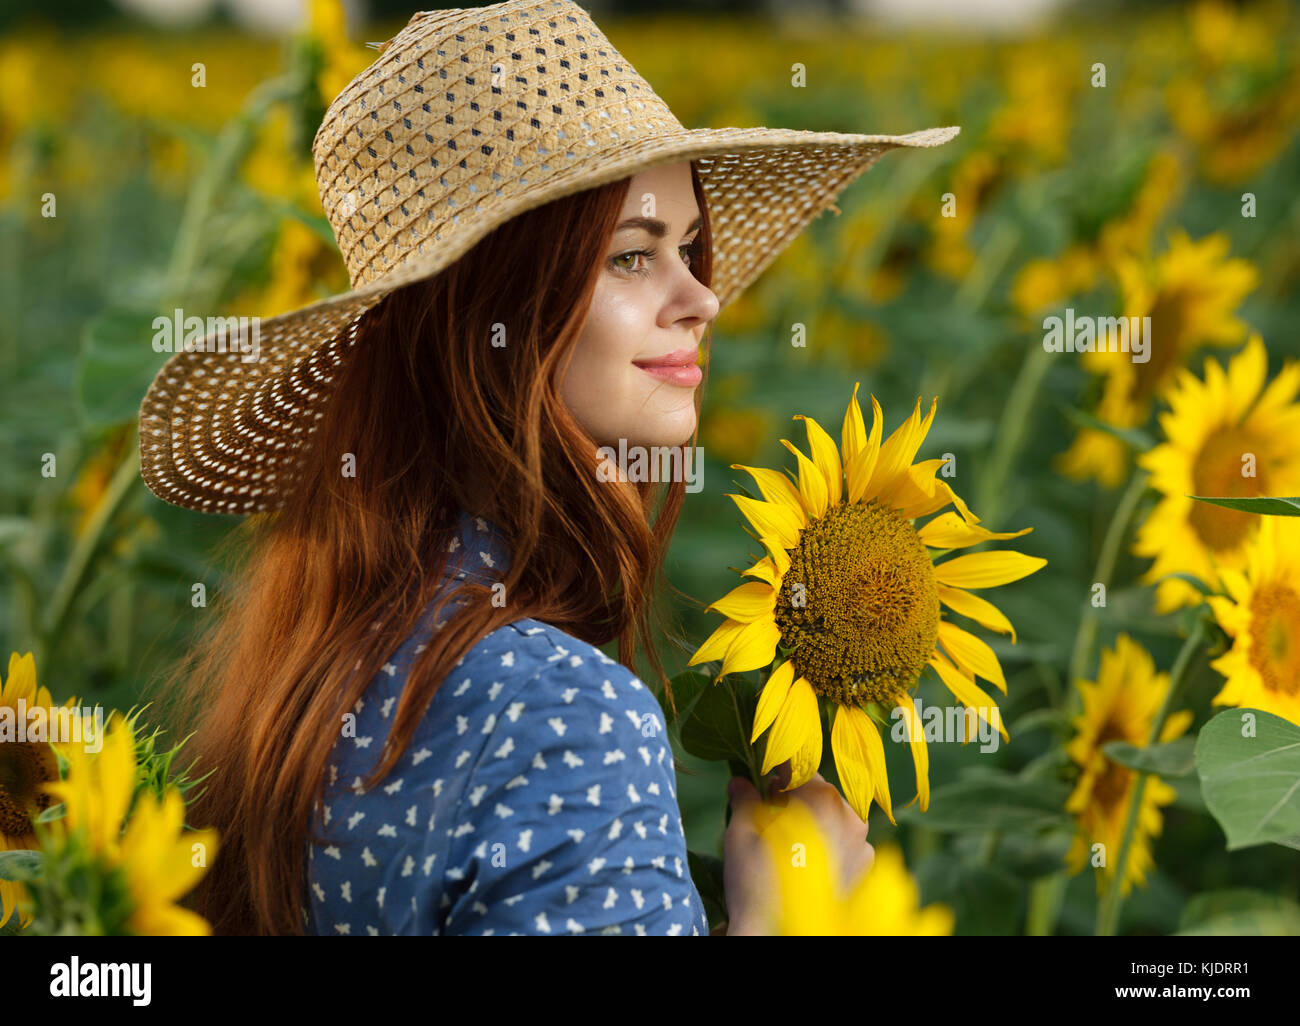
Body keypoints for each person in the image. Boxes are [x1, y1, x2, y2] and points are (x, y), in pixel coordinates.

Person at [140, 0, 957, 935]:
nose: (701, 298)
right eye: (631, 258)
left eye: (690, 249)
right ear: (489, 321)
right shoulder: (563, 716)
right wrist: (785, 918)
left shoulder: (316, 669)